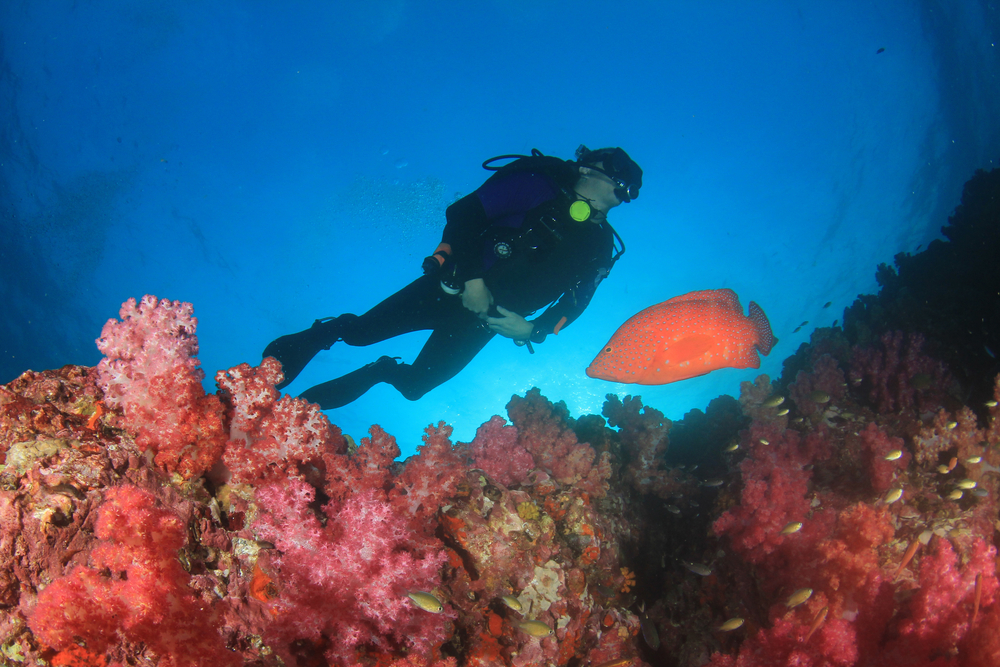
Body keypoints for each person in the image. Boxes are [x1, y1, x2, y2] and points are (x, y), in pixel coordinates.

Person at [263, 145, 643, 409]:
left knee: (414, 387)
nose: (623, 187)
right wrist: (472, 280)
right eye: (618, 174)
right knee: (360, 334)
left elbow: (576, 302)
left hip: (483, 323)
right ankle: (327, 331)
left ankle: (381, 370)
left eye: (628, 187)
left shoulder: (599, 246)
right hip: (451, 287)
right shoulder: (538, 186)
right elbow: (464, 213)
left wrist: (534, 330)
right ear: (588, 169)